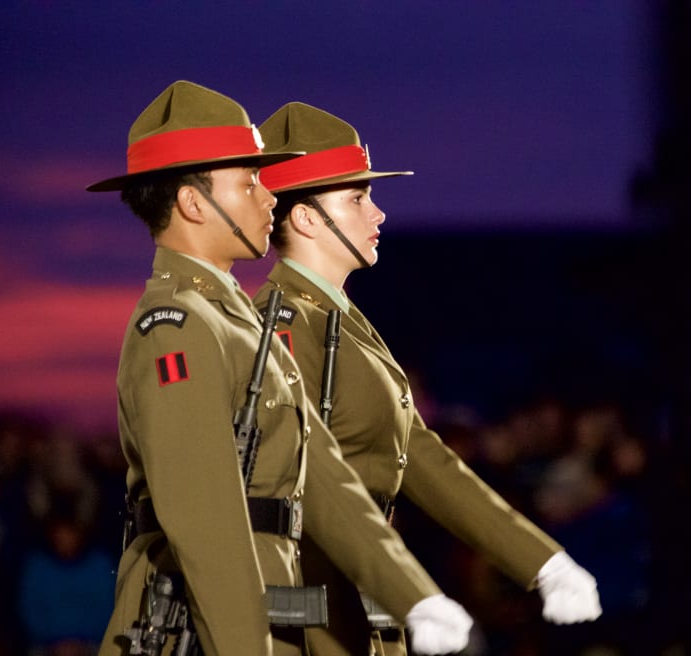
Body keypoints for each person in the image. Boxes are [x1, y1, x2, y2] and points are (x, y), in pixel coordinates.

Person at [86, 81, 471, 656]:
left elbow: (327, 480)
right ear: (194, 203)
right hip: (194, 628)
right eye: (248, 183)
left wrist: (414, 595)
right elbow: (205, 524)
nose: (270, 198)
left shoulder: (236, 318)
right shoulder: (177, 324)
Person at [250, 102, 602, 655]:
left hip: (362, 603)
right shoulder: (283, 328)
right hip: (311, 616)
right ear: (305, 218)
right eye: (357, 198)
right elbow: (312, 480)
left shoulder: (346, 326)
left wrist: (543, 562)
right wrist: (415, 595)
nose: (378, 214)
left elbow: (425, 459)